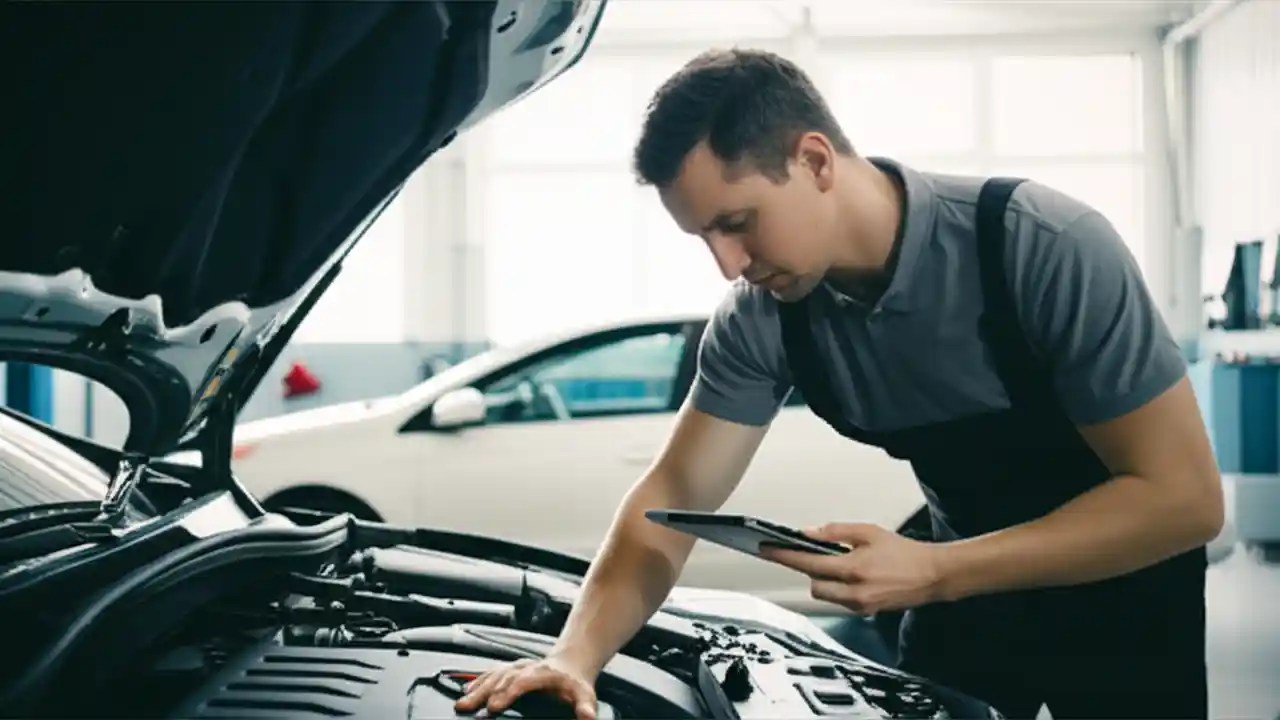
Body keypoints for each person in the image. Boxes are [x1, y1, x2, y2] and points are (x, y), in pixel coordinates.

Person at [455, 48, 1223, 720]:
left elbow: (1183, 500)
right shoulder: (763, 317)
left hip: (1123, 588)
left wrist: (934, 569)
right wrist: (574, 658)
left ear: (816, 161)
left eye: (739, 221)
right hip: (958, 588)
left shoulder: (1041, 246)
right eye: (704, 238)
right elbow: (672, 499)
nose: (728, 265)